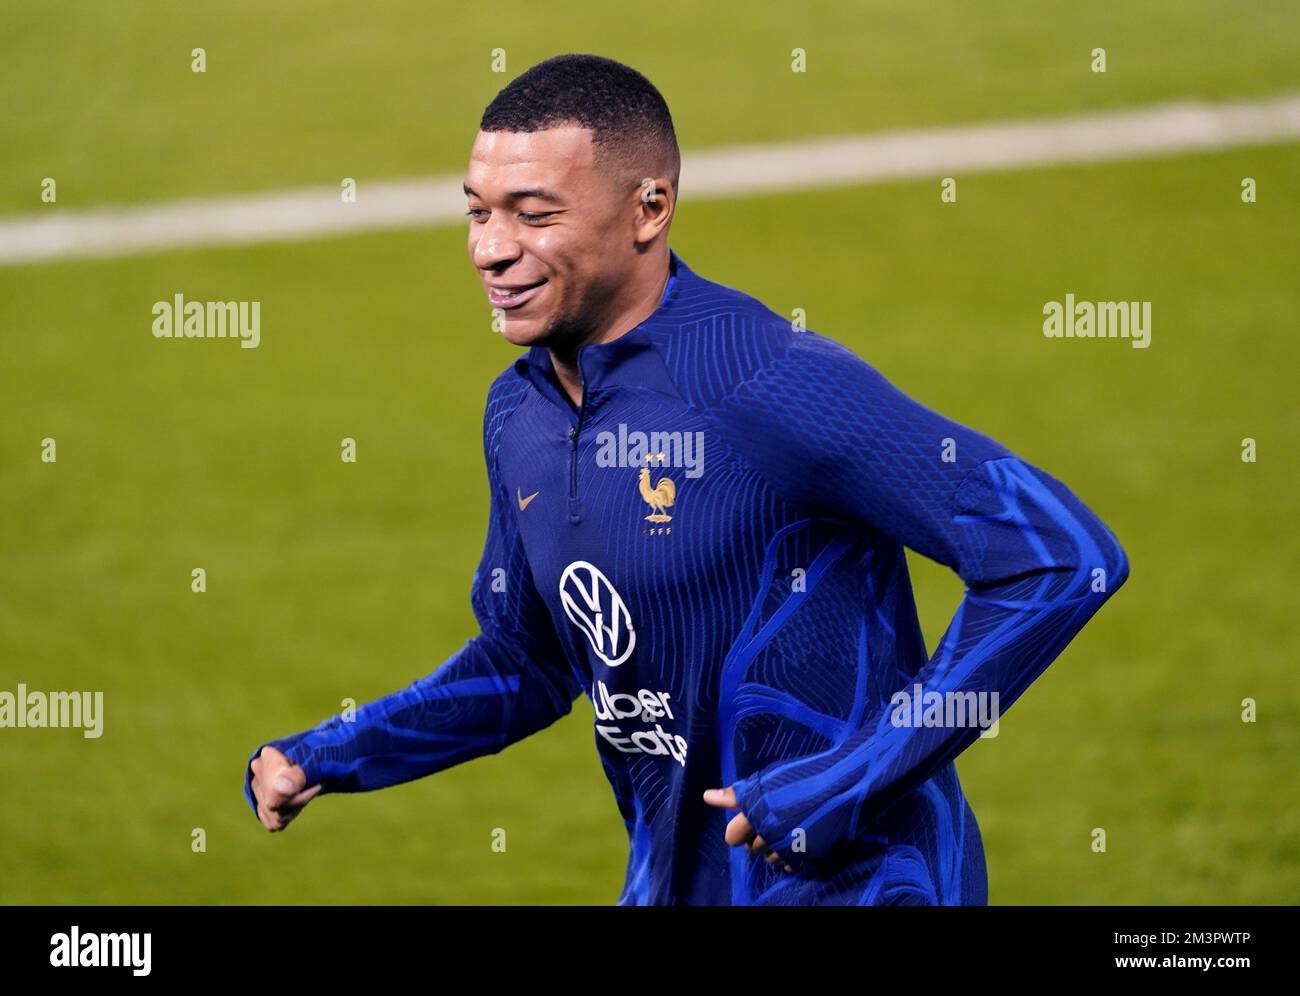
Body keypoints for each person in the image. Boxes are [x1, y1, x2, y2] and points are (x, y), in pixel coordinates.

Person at [245, 53, 1129, 905]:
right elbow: (533, 660)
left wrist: (851, 779)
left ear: (650, 208)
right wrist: (331, 751)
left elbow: (1057, 554)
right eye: (476, 212)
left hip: (865, 888)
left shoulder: (764, 379)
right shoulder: (519, 417)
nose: (490, 249)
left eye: (533, 214)